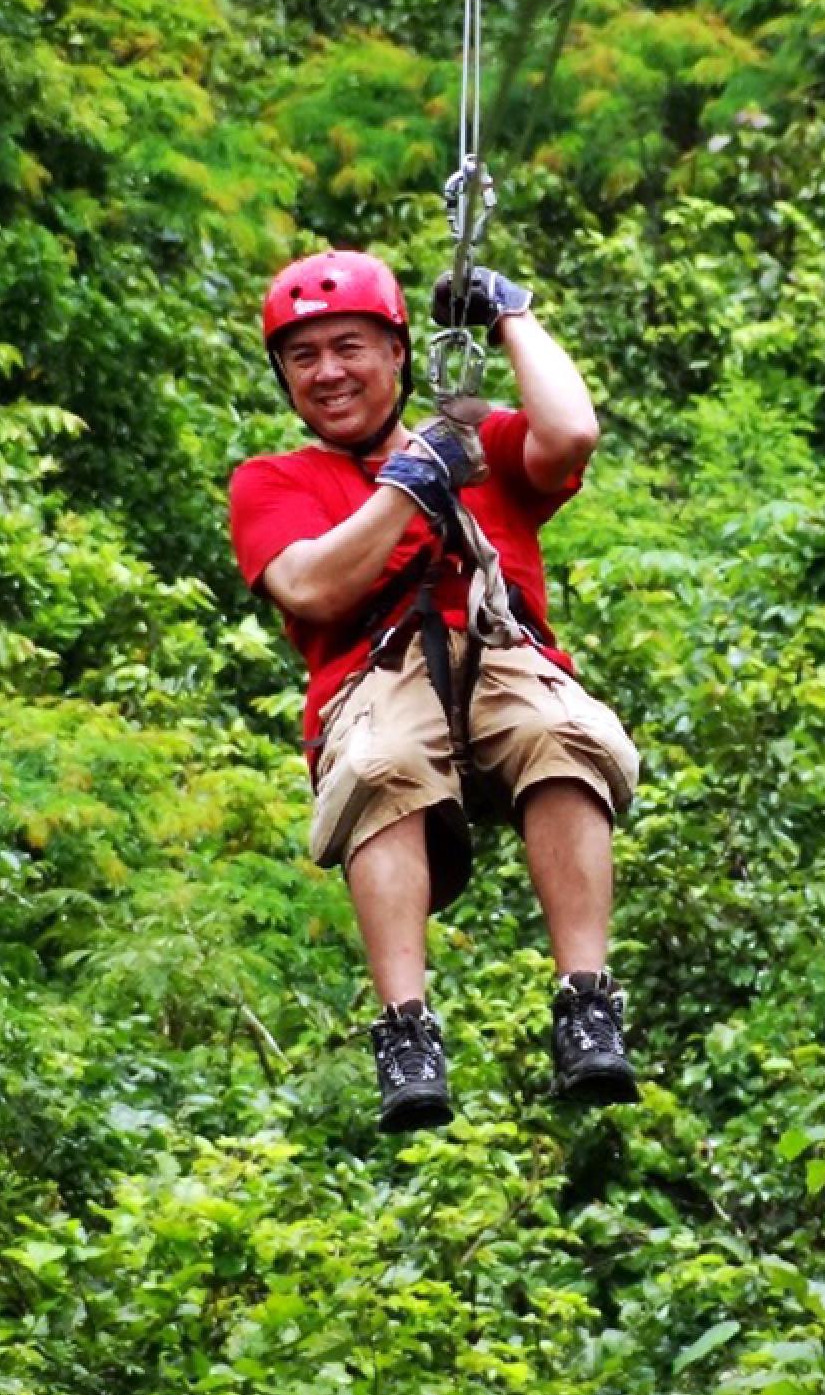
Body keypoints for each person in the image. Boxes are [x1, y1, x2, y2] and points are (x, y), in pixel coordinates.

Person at [227, 249, 641, 1132]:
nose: (330, 372)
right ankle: (406, 1029)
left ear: (399, 354)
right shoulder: (275, 481)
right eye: (305, 357)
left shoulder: (477, 438)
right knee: (381, 764)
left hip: (498, 645)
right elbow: (309, 587)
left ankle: (587, 997)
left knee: (561, 732)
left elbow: (569, 434)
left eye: (351, 347)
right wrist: (412, 484)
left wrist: (509, 316)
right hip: (378, 673)